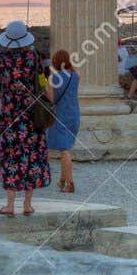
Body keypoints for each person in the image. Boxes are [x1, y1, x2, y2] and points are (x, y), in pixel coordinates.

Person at [0, 20, 48, 216]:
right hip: (31, 112)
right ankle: (27, 204)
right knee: (31, 156)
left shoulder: (0, 58)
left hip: (9, 112)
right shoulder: (34, 57)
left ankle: (9, 204)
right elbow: (42, 81)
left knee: (10, 157)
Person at [46, 49, 81, 193]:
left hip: (60, 115)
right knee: (64, 148)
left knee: (64, 150)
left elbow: (52, 99)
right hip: (74, 113)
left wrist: (45, 87)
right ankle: (62, 179)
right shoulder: (75, 75)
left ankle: (70, 183)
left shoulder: (53, 78)